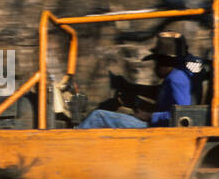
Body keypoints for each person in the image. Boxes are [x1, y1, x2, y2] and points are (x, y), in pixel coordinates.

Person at [76, 33, 204, 128]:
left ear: (164, 61)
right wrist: (135, 101)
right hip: (158, 126)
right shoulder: (179, 75)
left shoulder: (177, 78)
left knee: (98, 116)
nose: (155, 67)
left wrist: (149, 116)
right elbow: (163, 101)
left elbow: (183, 115)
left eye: (156, 62)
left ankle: (69, 150)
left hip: (158, 129)